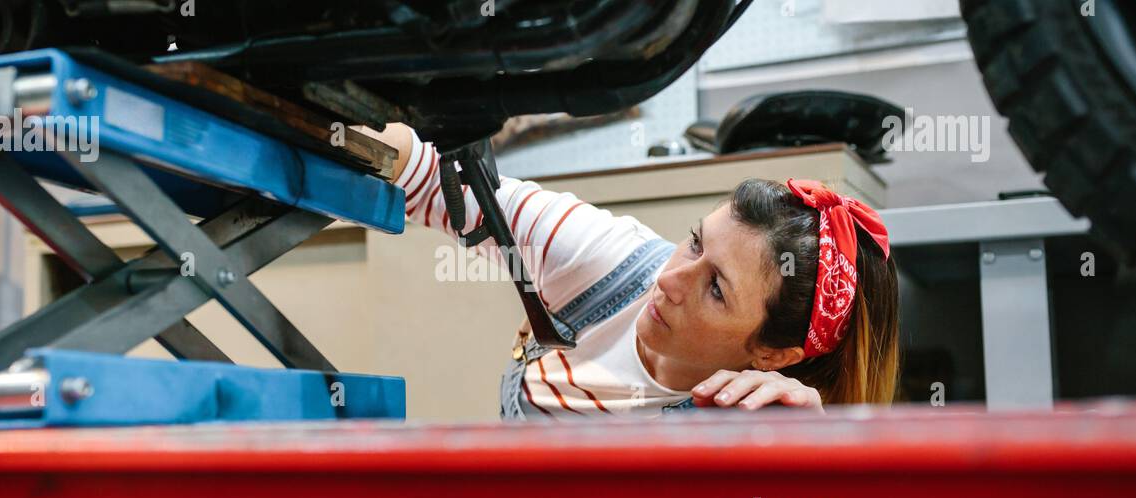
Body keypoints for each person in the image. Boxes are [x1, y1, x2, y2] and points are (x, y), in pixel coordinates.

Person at [365, 123, 899, 420]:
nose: (667, 281)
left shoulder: (744, 425)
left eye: (715, 288)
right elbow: (430, 178)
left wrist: (811, 465)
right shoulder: (607, 261)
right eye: (694, 244)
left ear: (774, 356)